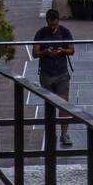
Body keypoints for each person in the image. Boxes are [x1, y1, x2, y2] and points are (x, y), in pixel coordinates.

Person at [32, 9, 75, 146]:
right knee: (49, 105)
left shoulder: (65, 32)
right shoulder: (41, 33)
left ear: (58, 21)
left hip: (62, 73)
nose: (52, 27)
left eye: (54, 25)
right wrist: (45, 52)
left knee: (63, 104)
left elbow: (72, 50)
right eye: (50, 25)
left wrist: (62, 50)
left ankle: (64, 134)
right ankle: (51, 133)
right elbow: (35, 53)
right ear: (47, 22)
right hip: (46, 74)